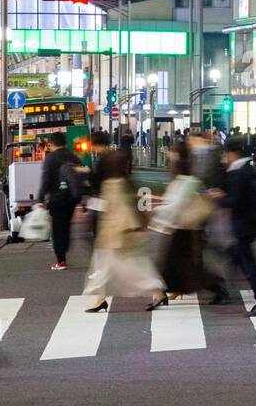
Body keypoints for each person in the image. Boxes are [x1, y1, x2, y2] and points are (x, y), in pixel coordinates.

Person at [81, 148, 166, 312]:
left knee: (124, 268)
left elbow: (119, 209)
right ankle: (101, 300)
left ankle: (156, 292)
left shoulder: (113, 184)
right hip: (117, 234)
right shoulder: (123, 182)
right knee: (111, 268)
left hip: (116, 235)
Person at [153, 145, 228, 304]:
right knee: (175, 264)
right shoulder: (181, 178)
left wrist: (157, 215)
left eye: (172, 153)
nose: (169, 156)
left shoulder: (187, 180)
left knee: (187, 266)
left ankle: (216, 285)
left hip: (189, 230)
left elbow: (176, 204)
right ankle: (165, 292)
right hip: (181, 228)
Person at [213, 135, 256, 316]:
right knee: (237, 254)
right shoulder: (248, 168)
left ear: (233, 153)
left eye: (227, 153)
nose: (225, 157)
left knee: (250, 266)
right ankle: (228, 281)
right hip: (253, 223)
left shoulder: (237, 173)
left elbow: (236, 201)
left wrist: (218, 198)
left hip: (243, 225)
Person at [38, 131, 83, 270]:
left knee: (57, 228)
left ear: (52, 144)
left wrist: (40, 197)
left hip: (56, 198)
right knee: (66, 226)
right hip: (71, 198)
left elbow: (46, 179)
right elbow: (80, 177)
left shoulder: (50, 158)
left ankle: (61, 259)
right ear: (65, 143)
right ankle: (64, 251)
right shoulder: (73, 157)